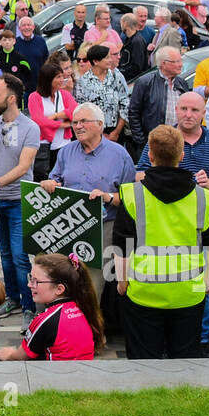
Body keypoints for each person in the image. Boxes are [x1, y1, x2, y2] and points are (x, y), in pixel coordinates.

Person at [115, 125, 209, 359]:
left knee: (144, 362)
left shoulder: (133, 195)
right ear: (182, 155)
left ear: (150, 156)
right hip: (188, 293)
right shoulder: (204, 197)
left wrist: (122, 282)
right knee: (184, 361)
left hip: (143, 292)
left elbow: (122, 244)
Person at [41, 101, 136, 309]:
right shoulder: (66, 152)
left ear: (100, 124)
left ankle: (91, 333)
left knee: (92, 286)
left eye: (84, 121)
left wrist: (108, 197)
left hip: (103, 227)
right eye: (75, 122)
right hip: (68, 226)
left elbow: (131, 198)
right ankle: (64, 329)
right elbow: (55, 180)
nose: (78, 126)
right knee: (63, 281)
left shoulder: (119, 155)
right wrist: (50, 184)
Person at [0, 75, 40, 321]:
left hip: (18, 200)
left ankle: (29, 306)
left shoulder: (30, 127)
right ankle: (13, 299)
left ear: (12, 98)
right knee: (4, 254)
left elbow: (23, 166)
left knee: (19, 256)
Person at [0, 253, 104, 361]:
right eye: (30, 278)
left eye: (36, 281)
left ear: (59, 289)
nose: (29, 285)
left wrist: (8, 353)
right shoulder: (83, 308)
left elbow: (21, 356)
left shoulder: (45, 320)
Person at [127, 46, 191, 159]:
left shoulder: (181, 83)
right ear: (163, 64)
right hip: (152, 144)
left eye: (180, 60)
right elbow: (133, 113)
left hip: (178, 143)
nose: (180, 64)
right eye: (176, 61)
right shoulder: (145, 82)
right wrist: (143, 141)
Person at [27, 61, 77, 182]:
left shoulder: (64, 94)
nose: (62, 80)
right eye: (58, 77)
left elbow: (75, 111)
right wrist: (62, 124)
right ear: (48, 79)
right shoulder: (35, 97)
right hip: (44, 146)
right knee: (43, 178)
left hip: (63, 143)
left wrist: (55, 115)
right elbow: (39, 121)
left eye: (62, 76)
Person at [74, 43, 129, 143]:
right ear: (96, 61)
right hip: (92, 133)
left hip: (116, 132)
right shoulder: (83, 82)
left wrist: (116, 132)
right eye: (107, 58)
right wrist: (98, 133)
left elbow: (125, 104)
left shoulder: (117, 77)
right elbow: (81, 108)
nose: (111, 60)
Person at [14, 16, 49, 94]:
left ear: (33, 27)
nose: (27, 27)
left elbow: (46, 62)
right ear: (19, 28)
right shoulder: (15, 43)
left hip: (39, 85)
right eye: (24, 25)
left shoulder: (41, 41)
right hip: (21, 87)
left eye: (29, 25)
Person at [117, 13, 149, 82]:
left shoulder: (137, 41)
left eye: (121, 23)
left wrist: (119, 72)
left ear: (125, 24)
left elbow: (137, 67)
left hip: (134, 81)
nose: (121, 26)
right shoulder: (130, 39)